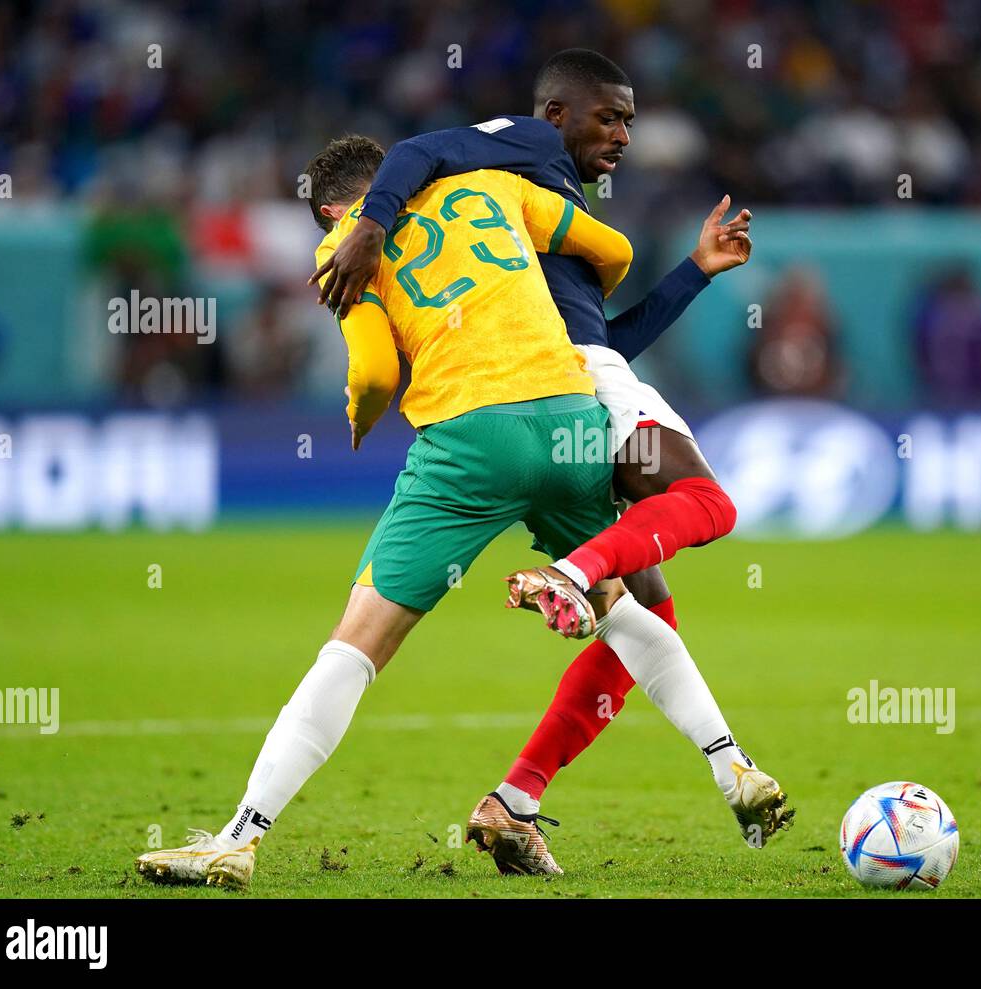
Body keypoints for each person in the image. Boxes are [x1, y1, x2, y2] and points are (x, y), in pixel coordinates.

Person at [135, 135, 785, 887]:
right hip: (570, 416)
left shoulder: (345, 249)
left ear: (328, 209)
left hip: (469, 438)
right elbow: (611, 248)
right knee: (620, 605)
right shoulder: (488, 188)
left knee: (356, 645)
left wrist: (360, 410)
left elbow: (376, 371)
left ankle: (238, 838)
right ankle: (729, 760)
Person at [309, 51, 783, 858]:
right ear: (558, 114)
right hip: (552, 393)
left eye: (632, 119)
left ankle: (515, 799)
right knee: (702, 509)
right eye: (612, 116)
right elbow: (416, 151)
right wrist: (371, 225)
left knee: (645, 615)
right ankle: (577, 586)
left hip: (564, 385)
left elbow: (606, 339)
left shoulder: (545, 209)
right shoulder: (528, 147)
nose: (626, 134)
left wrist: (696, 273)